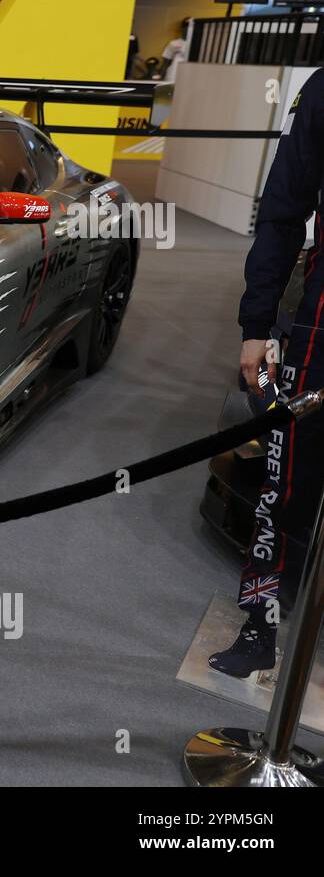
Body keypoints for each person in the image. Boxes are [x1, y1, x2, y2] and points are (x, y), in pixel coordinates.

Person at [209, 68, 324, 678]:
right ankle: (261, 628)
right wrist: (258, 325)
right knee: (287, 490)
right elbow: (283, 213)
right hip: (319, 336)